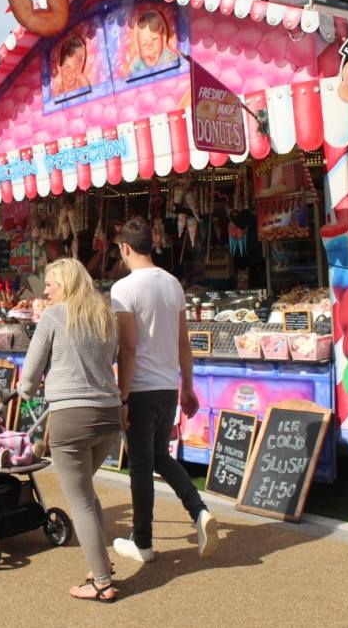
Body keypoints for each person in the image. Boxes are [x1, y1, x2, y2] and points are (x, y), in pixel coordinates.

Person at [110, 217, 218, 563]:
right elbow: (184, 344)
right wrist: (187, 387)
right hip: (168, 387)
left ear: (125, 248)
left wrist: (122, 397)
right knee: (159, 457)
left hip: (140, 390)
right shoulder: (173, 284)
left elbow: (127, 348)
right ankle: (198, 510)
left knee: (141, 467)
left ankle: (143, 541)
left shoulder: (123, 289)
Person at [18, 258, 121, 602]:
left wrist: (26, 389)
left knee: (79, 501)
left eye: (49, 284)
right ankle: (100, 564)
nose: (44, 291)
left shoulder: (54, 316)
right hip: (108, 415)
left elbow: (31, 371)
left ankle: (102, 581)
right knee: (86, 493)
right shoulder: (104, 315)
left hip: (70, 417)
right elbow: (113, 357)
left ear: (65, 285)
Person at [128, 9, 178, 74]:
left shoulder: (170, 59)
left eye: (155, 39)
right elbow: (129, 79)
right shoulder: (136, 65)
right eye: (144, 44)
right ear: (138, 49)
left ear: (163, 40)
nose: (150, 46)